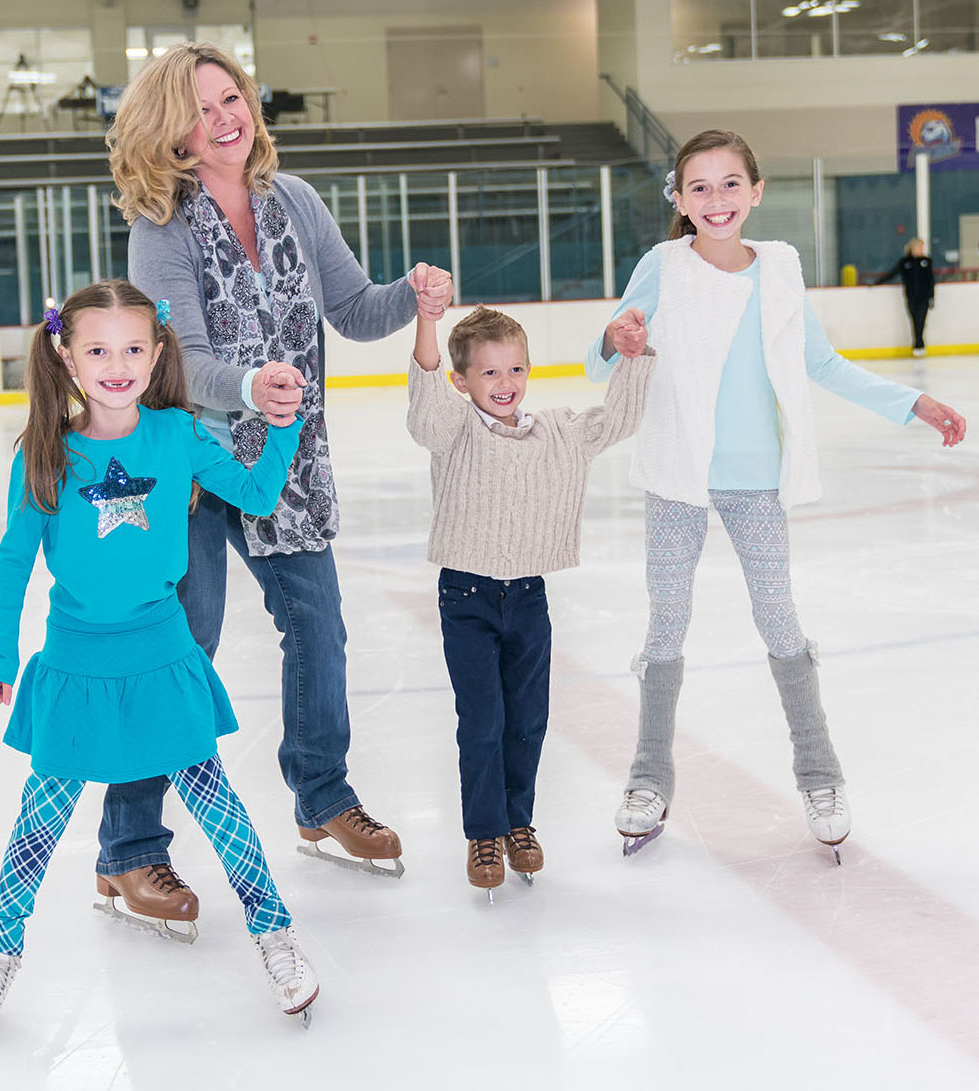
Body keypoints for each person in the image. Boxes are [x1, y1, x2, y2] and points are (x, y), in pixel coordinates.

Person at [102, 42, 455, 917]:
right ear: (169, 131)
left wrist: (412, 293)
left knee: (318, 626)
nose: (226, 117)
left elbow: (353, 308)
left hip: (282, 461)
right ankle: (129, 848)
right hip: (186, 463)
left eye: (233, 98)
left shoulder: (292, 200)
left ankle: (323, 797)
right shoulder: (162, 227)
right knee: (180, 647)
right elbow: (175, 356)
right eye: (202, 107)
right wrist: (252, 384)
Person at [0, 281, 320, 1041]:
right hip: (74, 667)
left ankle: (275, 932)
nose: (115, 364)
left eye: (130, 349)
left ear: (156, 354)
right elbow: (13, 560)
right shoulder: (45, 453)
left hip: (161, 656)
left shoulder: (177, 436)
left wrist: (280, 423)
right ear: (67, 355)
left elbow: (254, 491)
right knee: (39, 823)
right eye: (97, 349)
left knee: (219, 808)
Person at [585, 130, 966, 862]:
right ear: (680, 197)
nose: (716, 199)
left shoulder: (782, 268)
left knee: (780, 619)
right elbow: (600, 356)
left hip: (755, 478)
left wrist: (908, 403)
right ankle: (647, 777)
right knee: (666, 624)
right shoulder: (661, 265)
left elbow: (820, 362)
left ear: (756, 191)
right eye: (700, 187)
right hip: (676, 476)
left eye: (731, 184)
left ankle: (820, 774)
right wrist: (617, 338)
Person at [407, 291, 655, 895]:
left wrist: (633, 355)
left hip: (527, 597)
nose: (505, 381)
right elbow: (425, 417)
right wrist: (428, 325)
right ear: (463, 381)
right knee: (483, 719)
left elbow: (618, 421)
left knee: (528, 719)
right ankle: (484, 833)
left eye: (515, 368)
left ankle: (520, 822)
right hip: (465, 595)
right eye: (489, 370)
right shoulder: (456, 428)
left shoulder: (556, 432)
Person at [875, 237, 936, 357]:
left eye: (921, 248)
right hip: (911, 296)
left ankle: (919, 344)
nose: (920, 250)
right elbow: (892, 274)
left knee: (921, 321)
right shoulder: (905, 262)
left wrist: (932, 296)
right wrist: (877, 283)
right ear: (912, 248)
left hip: (923, 297)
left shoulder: (926, 261)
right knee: (914, 321)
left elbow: (931, 280)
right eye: (917, 247)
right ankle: (918, 344)